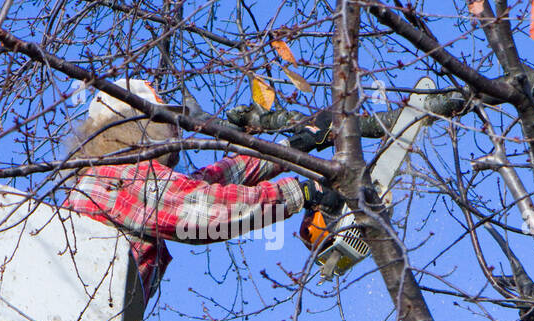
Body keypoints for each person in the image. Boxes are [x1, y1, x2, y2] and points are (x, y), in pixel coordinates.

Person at [63, 79, 338, 302]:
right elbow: (201, 210)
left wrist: (293, 147)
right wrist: (298, 193)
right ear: (137, 125)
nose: (173, 131)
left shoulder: (108, 178)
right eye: (164, 122)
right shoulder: (118, 178)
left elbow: (210, 181)